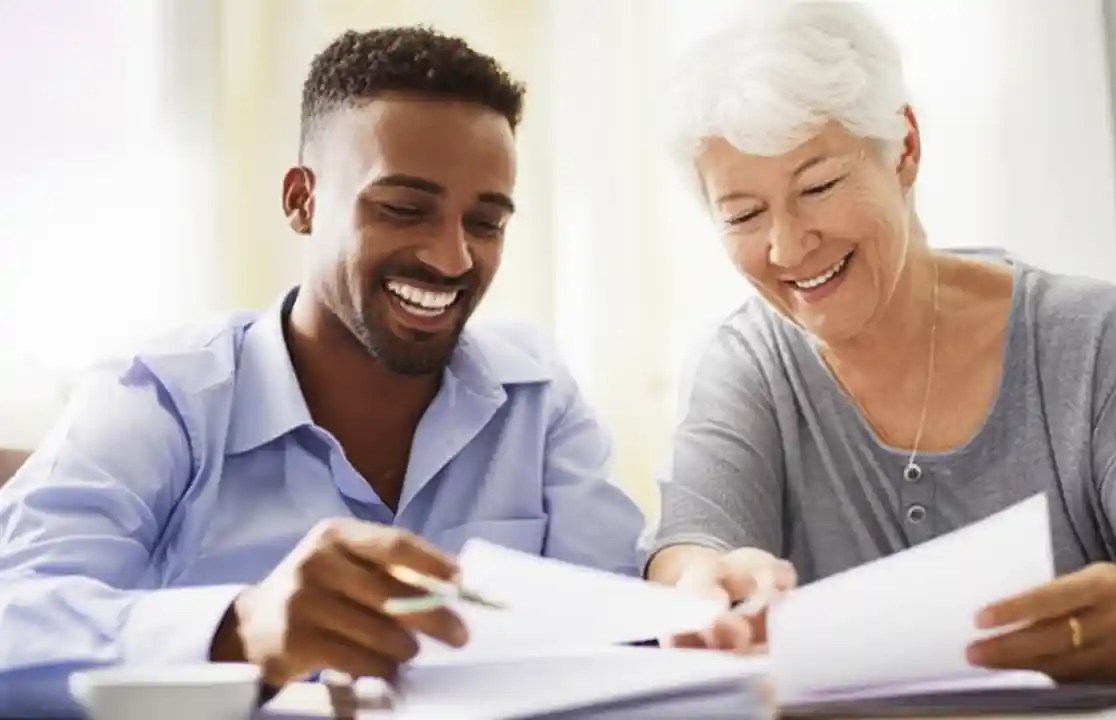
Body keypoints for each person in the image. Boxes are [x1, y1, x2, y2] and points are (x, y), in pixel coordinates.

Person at [0, 26, 643, 716]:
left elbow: (626, 633)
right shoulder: (162, 395)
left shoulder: (538, 400)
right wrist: (238, 629)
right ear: (302, 201)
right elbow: (15, 622)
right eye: (402, 209)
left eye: (486, 223)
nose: (452, 259)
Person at [645, 2, 1116, 682]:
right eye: (743, 214)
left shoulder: (1086, 333)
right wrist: (698, 583)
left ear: (905, 148)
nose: (789, 246)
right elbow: (693, 544)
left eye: (819, 185)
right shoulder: (745, 365)